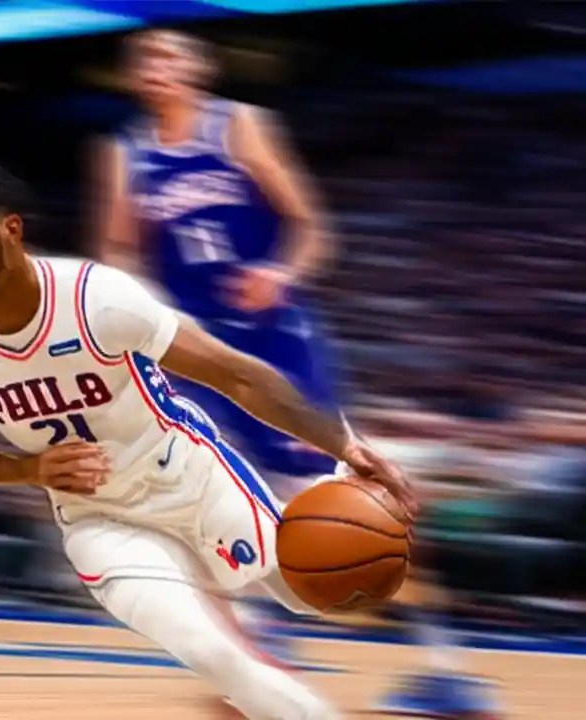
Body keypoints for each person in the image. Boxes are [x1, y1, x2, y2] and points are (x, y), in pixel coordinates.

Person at [0, 157, 415, 719]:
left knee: (320, 591)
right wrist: (27, 470)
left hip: (189, 477)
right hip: (99, 519)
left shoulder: (96, 299)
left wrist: (345, 445)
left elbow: (236, 375)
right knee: (214, 655)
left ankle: (410, 626)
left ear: (10, 230)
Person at [93, 29, 500, 717]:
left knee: (351, 504)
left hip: (276, 343)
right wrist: (135, 307)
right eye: (145, 59)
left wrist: (279, 273)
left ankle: (445, 670)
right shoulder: (124, 152)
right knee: (200, 502)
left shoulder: (239, 125)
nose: (157, 66)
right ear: (134, 78)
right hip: (194, 352)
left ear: (200, 68)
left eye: (171, 54)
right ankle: (261, 652)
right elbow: (117, 252)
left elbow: (311, 226)